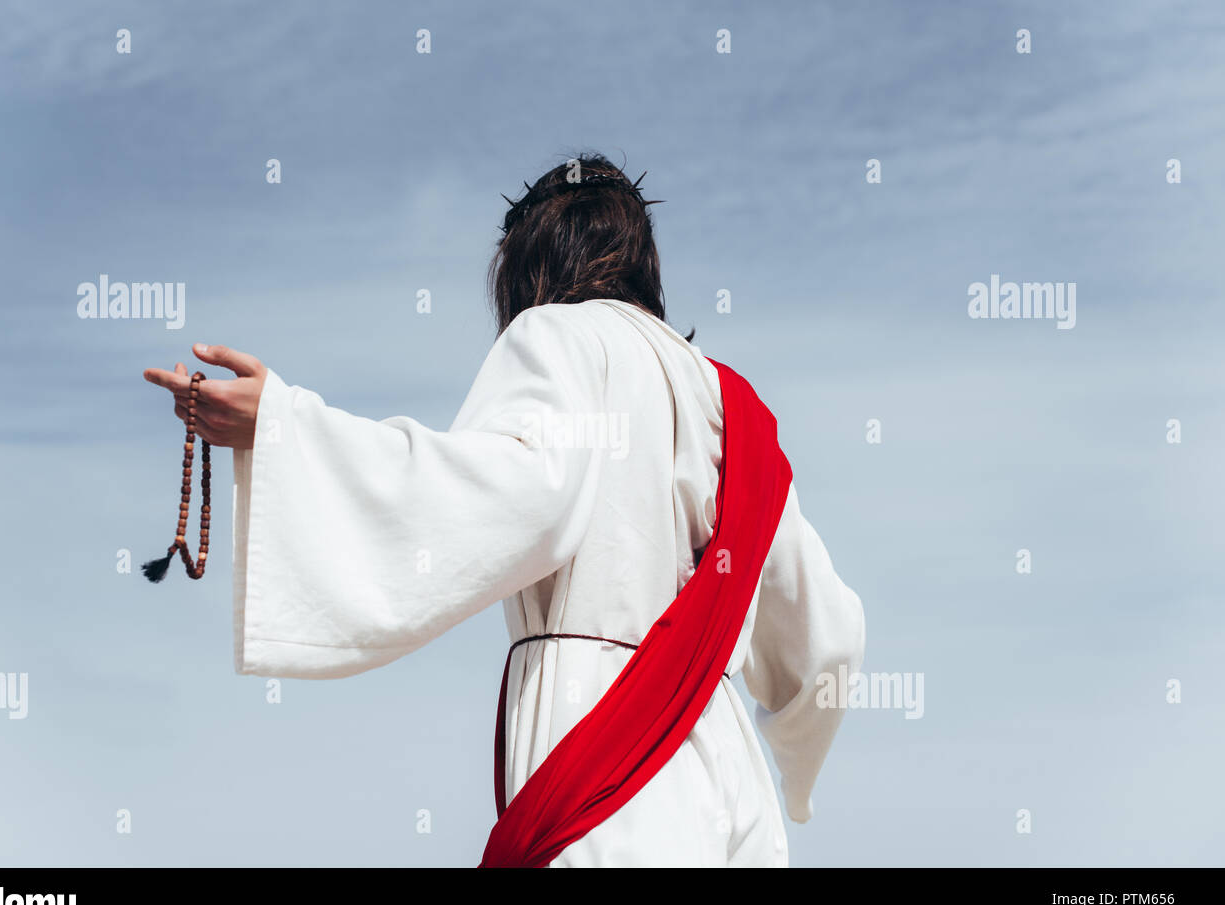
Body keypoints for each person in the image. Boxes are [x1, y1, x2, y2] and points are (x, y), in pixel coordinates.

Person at [143, 152, 865, 867]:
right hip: (732, 788)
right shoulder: (736, 412)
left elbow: (491, 492)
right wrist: (794, 777)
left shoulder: (557, 337)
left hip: (606, 777)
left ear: (531, 267)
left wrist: (282, 426)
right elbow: (825, 636)